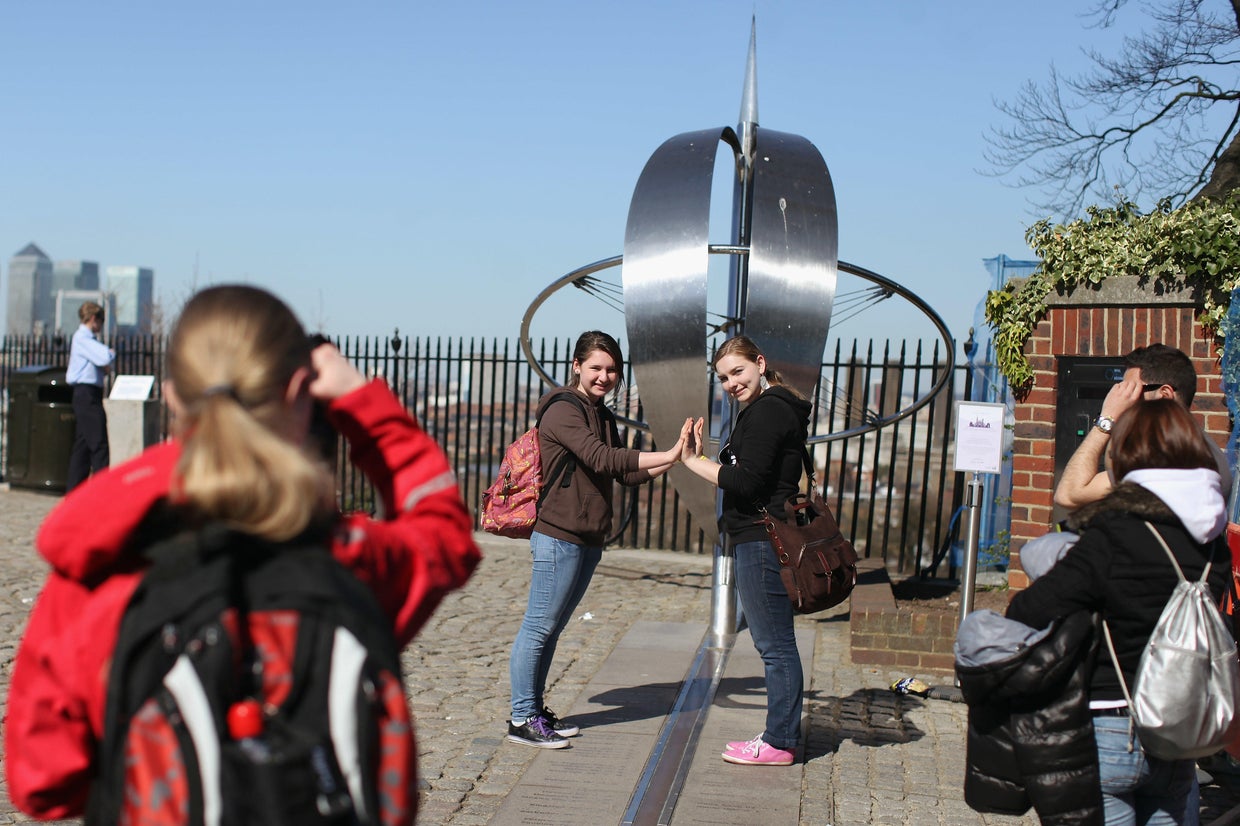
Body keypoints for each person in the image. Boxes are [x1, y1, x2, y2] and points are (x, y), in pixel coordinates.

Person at [5, 285, 481, 821]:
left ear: (172, 396)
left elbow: (42, 780)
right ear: (302, 391)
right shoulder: (346, 554)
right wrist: (359, 400)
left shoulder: (99, 569)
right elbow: (444, 533)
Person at [1007, 399, 1232, 826]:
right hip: (1179, 731)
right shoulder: (1212, 541)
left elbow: (1029, 609)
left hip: (1110, 724)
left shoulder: (1113, 532)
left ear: (1128, 456)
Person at [507, 330, 689, 749]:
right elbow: (600, 457)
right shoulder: (562, 410)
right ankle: (521, 717)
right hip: (558, 534)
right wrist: (668, 454)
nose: (604, 376)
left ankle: (534, 709)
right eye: (596, 368)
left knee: (552, 628)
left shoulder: (601, 413)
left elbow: (624, 473)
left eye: (612, 370)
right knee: (538, 627)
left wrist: (676, 459)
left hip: (588, 536)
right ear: (576, 367)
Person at [680, 335, 812, 766]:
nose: (731, 384)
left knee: (774, 646)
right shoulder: (769, 409)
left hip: (761, 539)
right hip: (761, 536)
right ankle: (780, 735)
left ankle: (779, 742)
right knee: (775, 644)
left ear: (760, 363)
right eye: (723, 378)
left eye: (737, 372)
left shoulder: (769, 411)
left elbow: (747, 482)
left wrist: (693, 461)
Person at [1055, 343, 1231, 510]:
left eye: (1132, 393)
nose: (1123, 404)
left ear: (1165, 395)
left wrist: (1106, 419)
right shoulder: (1205, 449)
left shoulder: (1158, 460)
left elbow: (1068, 494)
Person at [65, 300, 116, 492]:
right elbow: (105, 357)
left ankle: (74, 491)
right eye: (101, 321)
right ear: (94, 319)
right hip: (87, 394)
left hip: (86, 394)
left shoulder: (86, 341)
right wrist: (110, 353)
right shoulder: (83, 338)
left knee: (83, 447)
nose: (101, 326)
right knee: (99, 444)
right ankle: (103, 491)